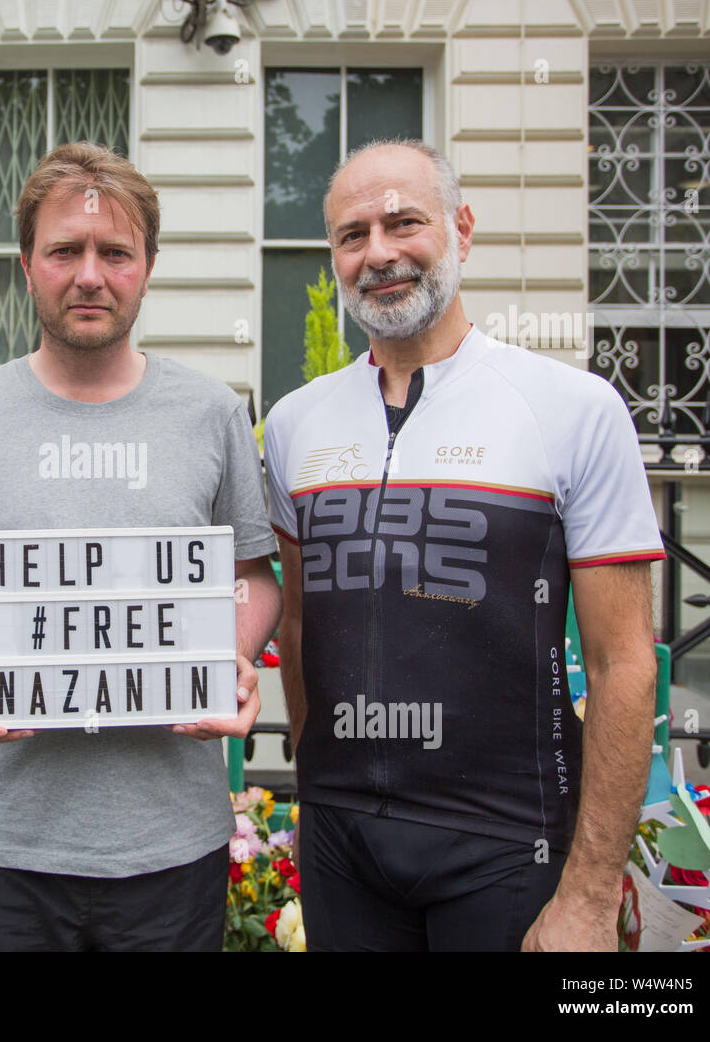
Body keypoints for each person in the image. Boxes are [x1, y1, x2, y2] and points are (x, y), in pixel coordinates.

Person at [263, 139, 664, 952]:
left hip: (511, 846)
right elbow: (298, 626)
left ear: (462, 228)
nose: (379, 253)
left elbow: (625, 663)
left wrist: (588, 895)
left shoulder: (573, 409)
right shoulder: (295, 422)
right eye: (351, 235)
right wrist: (315, 803)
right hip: (344, 848)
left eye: (404, 222)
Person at [0, 142, 281, 951]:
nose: (90, 275)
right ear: (27, 264)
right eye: (65, 250)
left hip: (173, 840)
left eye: (115, 252)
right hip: (3, 842)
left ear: (147, 265)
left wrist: (233, 653)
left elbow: (254, 578)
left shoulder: (213, 413)